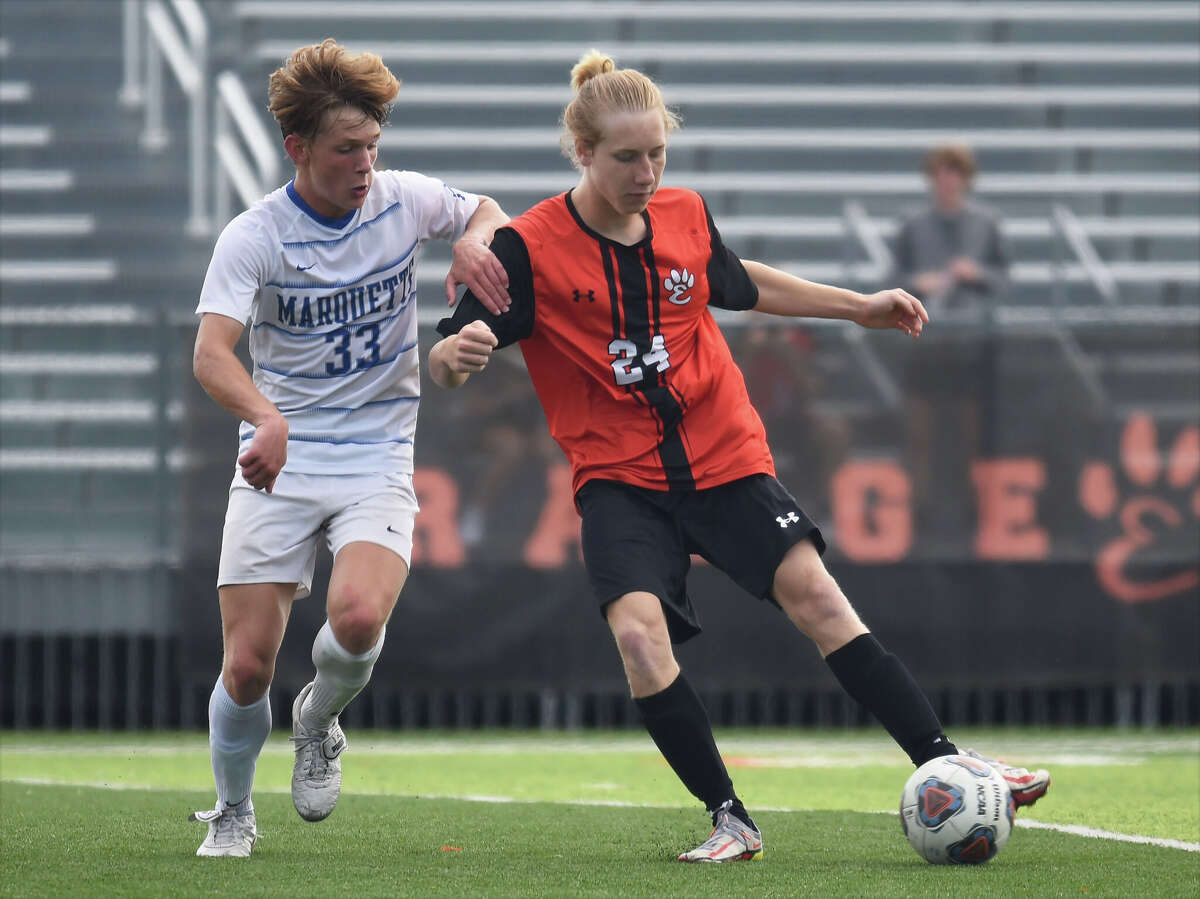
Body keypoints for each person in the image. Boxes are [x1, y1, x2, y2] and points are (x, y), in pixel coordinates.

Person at [428, 52, 1049, 863]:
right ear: (582, 151)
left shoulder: (684, 214)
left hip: (723, 454)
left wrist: (858, 305)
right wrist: (457, 354)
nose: (645, 172)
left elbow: (735, 281)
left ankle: (947, 759)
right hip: (620, 479)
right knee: (641, 640)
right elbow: (448, 351)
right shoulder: (527, 248)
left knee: (821, 601)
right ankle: (730, 817)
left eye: (657, 153)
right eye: (625, 156)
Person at [188, 39, 510, 858]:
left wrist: (477, 238)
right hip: (280, 453)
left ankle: (319, 721)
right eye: (346, 149)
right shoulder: (255, 234)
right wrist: (265, 414)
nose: (365, 164)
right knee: (249, 664)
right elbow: (211, 353)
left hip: (375, 451)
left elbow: (489, 210)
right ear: (298, 149)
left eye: (372, 145)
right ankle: (232, 810)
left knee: (359, 618)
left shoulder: (402, 199)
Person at [890, 143, 1010, 541]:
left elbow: (1002, 277)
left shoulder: (986, 223)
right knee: (920, 431)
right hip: (925, 341)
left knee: (970, 432)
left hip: (971, 345)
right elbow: (893, 275)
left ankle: (974, 512)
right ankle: (919, 512)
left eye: (954, 172)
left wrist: (974, 274)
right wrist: (915, 283)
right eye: (941, 172)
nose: (947, 180)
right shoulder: (913, 224)